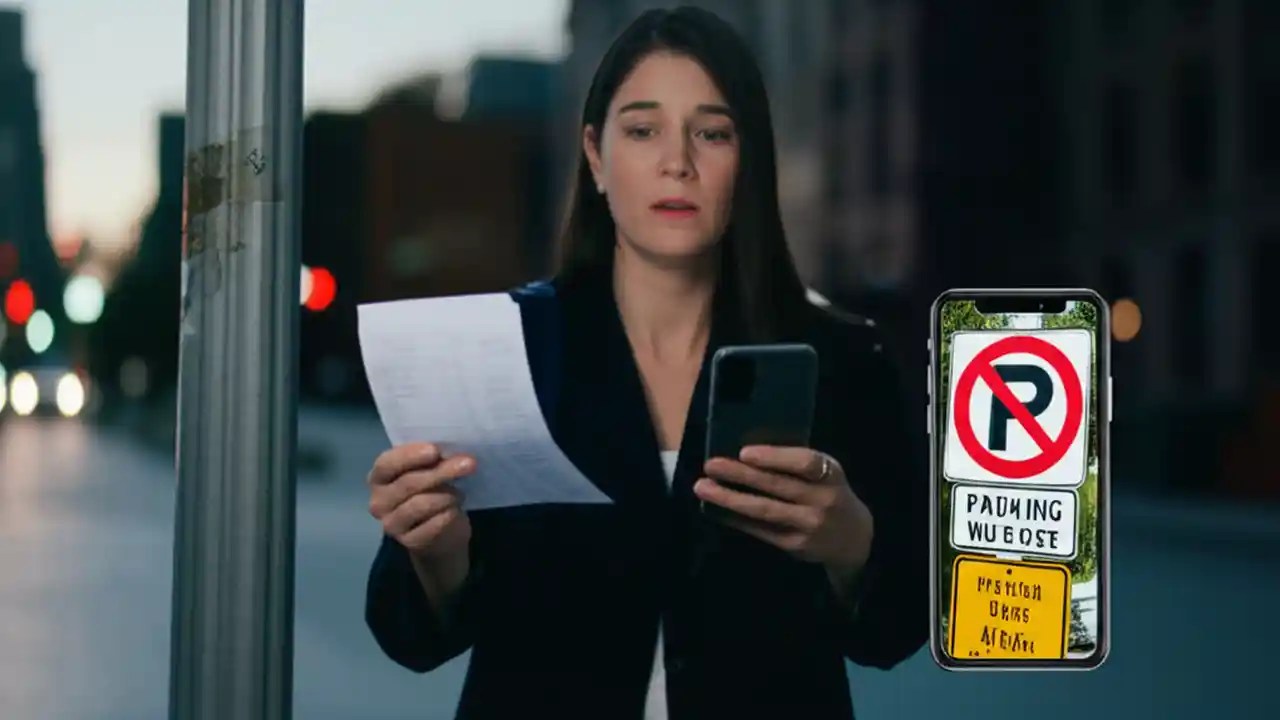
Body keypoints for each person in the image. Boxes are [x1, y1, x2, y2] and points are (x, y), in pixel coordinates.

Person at [363, 6, 927, 718]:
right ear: (596, 156)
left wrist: (852, 544)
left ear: (748, 156)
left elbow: (896, 630)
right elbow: (407, 636)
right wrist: (436, 553)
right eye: (643, 129)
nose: (677, 161)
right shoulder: (504, 348)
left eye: (713, 132)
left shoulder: (847, 362)